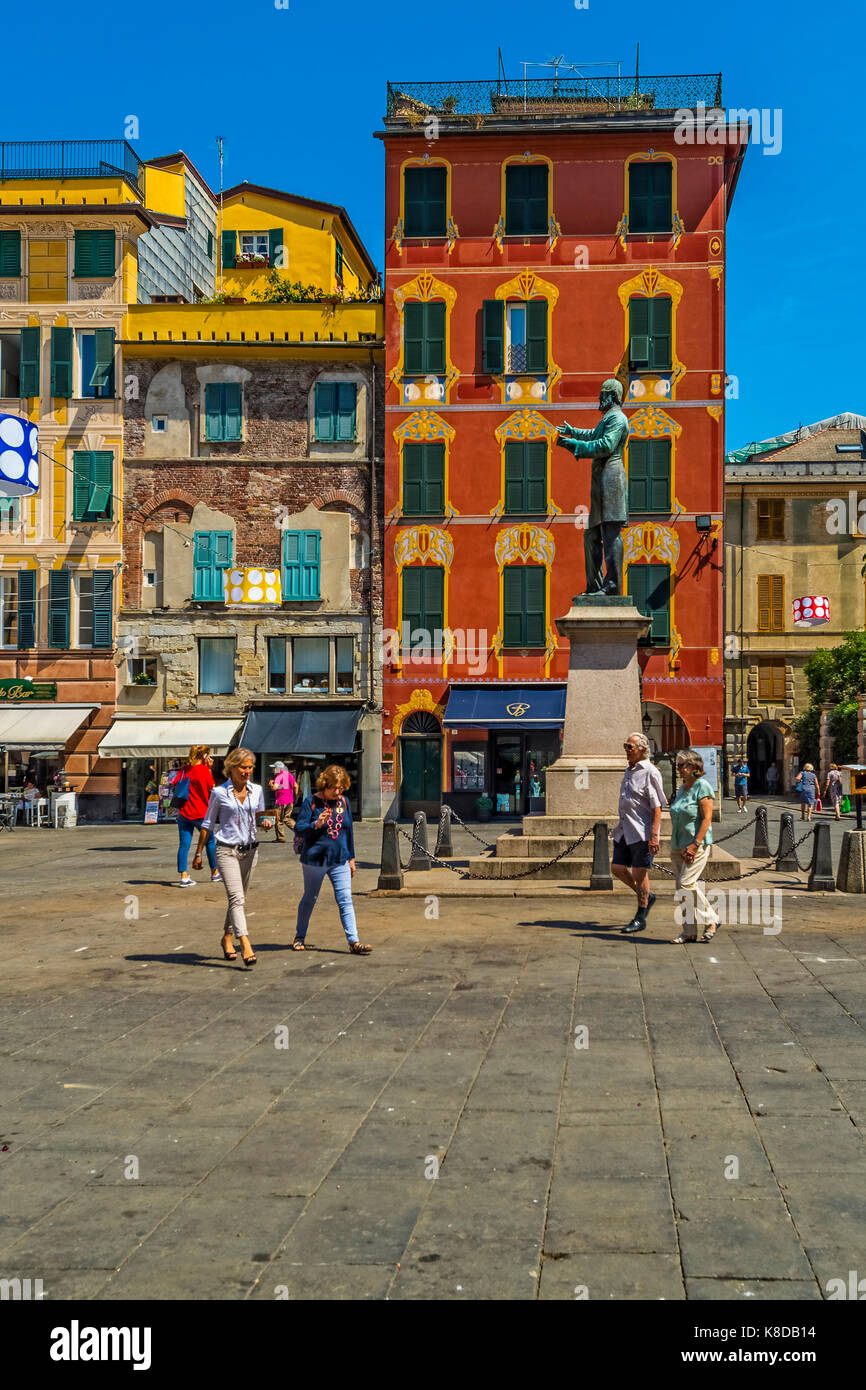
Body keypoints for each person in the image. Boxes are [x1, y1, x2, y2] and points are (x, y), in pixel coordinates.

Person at [193, 748, 272, 967]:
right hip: (226, 850)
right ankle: (245, 942)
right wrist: (198, 853)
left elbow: (260, 818)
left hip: (250, 850)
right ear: (232, 768)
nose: (247, 771)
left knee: (238, 899)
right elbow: (208, 823)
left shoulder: (257, 790)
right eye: (243, 767)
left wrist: (266, 823)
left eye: (250, 767)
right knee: (237, 898)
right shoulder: (219, 793)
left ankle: (227, 937)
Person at [292, 764, 372, 955]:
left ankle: (354, 942)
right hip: (315, 860)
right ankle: (299, 936)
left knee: (345, 899)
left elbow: (348, 831)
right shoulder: (310, 802)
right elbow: (299, 828)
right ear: (323, 785)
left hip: (340, 859)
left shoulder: (343, 802)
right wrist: (316, 823)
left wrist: (351, 858)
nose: (337, 791)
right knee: (310, 898)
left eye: (341, 787)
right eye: (333, 788)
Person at [612, 732, 667, 935]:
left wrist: (654, 835)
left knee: (639, 873)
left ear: (642, 750)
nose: (626, 750)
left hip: (641, 832)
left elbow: (657, 806)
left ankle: (640, 916)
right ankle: (646, 895)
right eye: (625, 746)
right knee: (617, 868)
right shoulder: (629, 769)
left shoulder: (650, 772)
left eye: (630, 747)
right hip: (625, 830)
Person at [669, 750, 720, 944]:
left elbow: (707, 818)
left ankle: (712, 918)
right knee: (682, 889)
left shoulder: (702, 786)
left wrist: (695, 844)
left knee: (686, 884)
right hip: (678, 844)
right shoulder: (683, 788)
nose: (679, 769)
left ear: (693, 767)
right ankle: (689, 931)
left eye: (681, 765)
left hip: (695, 844)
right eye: (678, 765)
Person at [174, 745, 219, 887]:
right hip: (201, 813)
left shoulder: (185, 769)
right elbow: (212, 788)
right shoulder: (204, 771)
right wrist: (209, 769)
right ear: (204, 756)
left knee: (184, 845)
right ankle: (215, 873)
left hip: (184, 812)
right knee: (210, 842)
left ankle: (184, 876)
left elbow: (175, 783)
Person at [268, 760, 298, 843]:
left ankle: (280, 838)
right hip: (290, 800)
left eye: (274, 768)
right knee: (287, 818)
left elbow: (275, 788)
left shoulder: (279, 776)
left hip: (281, 801)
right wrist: (294, 797)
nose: (272, 770)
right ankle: (300, 831)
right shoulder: (289, 775)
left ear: (278, 768)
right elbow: (295, 786)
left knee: (279, 819)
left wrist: (271, 784)